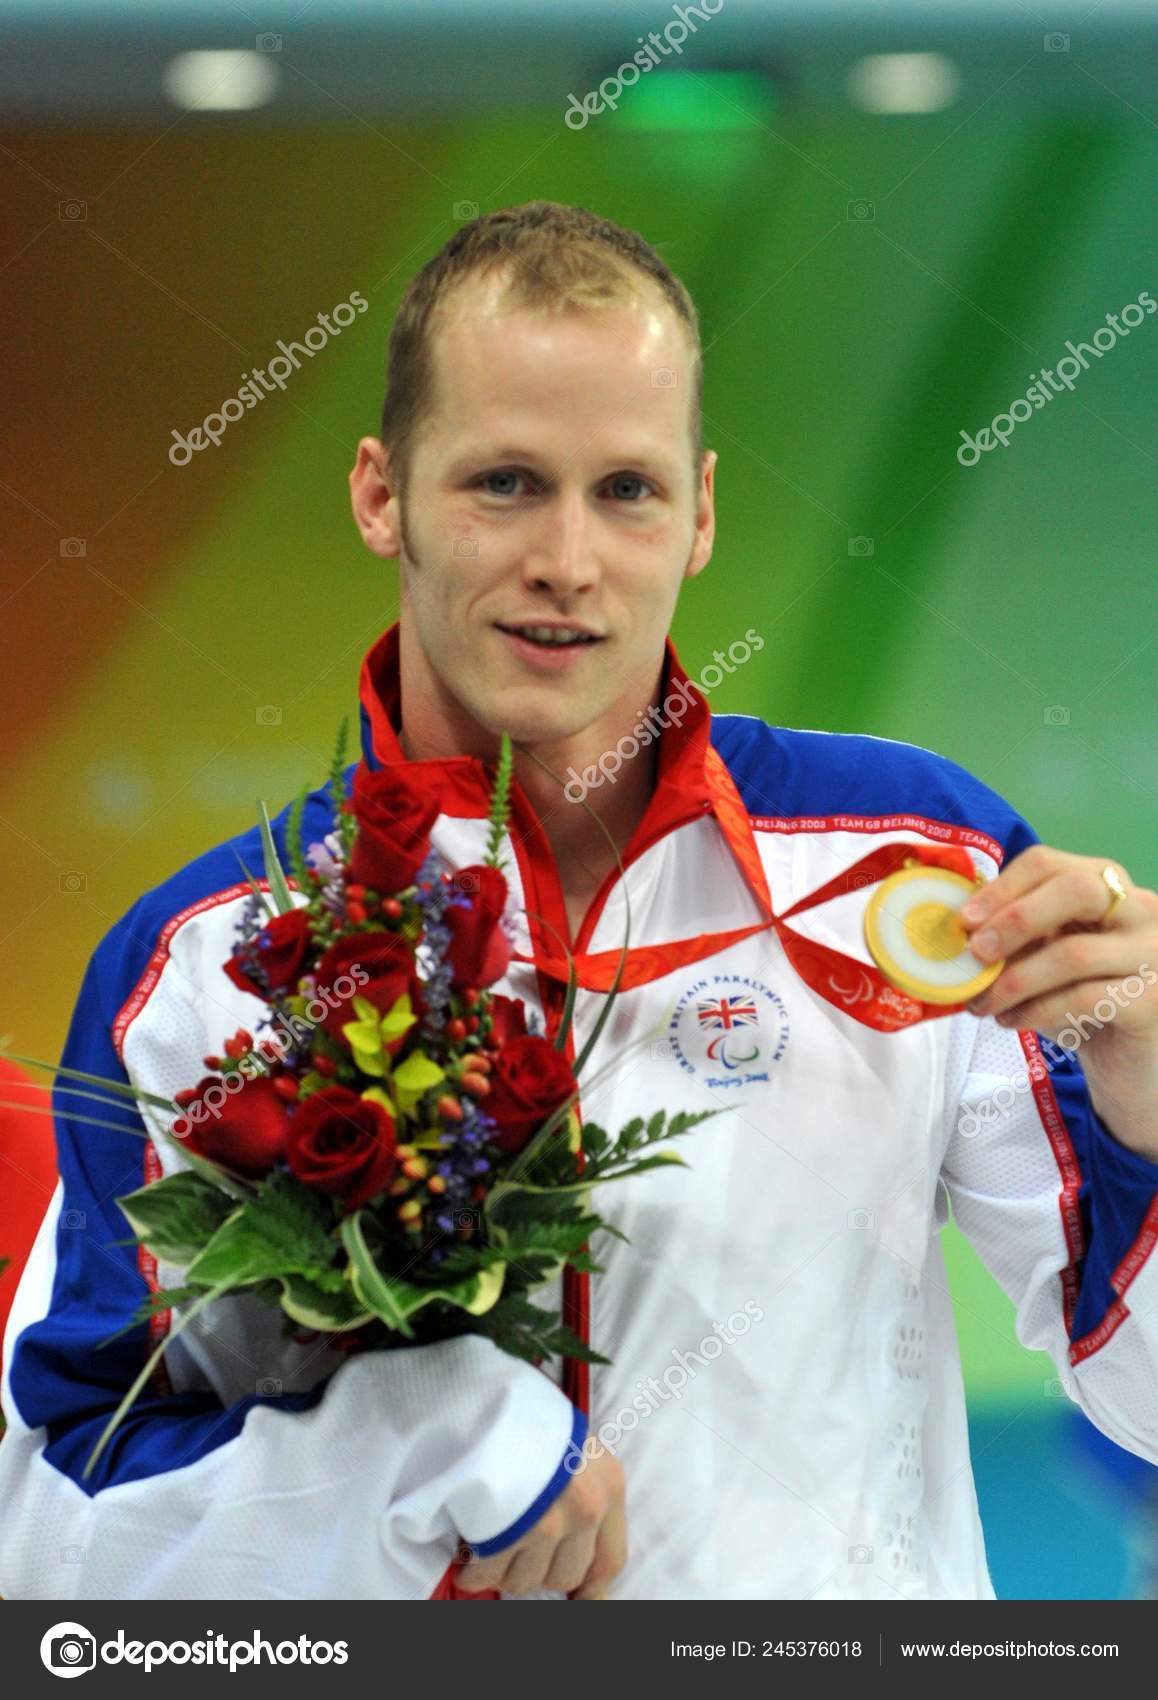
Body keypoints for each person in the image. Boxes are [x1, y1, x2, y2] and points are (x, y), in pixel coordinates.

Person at [1, 201, 1156, 1603]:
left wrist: (1151, 1099)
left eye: (626, 489)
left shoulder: (914, 864)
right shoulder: (206, 964)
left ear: (701, 512)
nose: (567, 559)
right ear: (380, 495)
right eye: (503, 483)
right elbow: (58, 1549)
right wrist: (407, 1444)